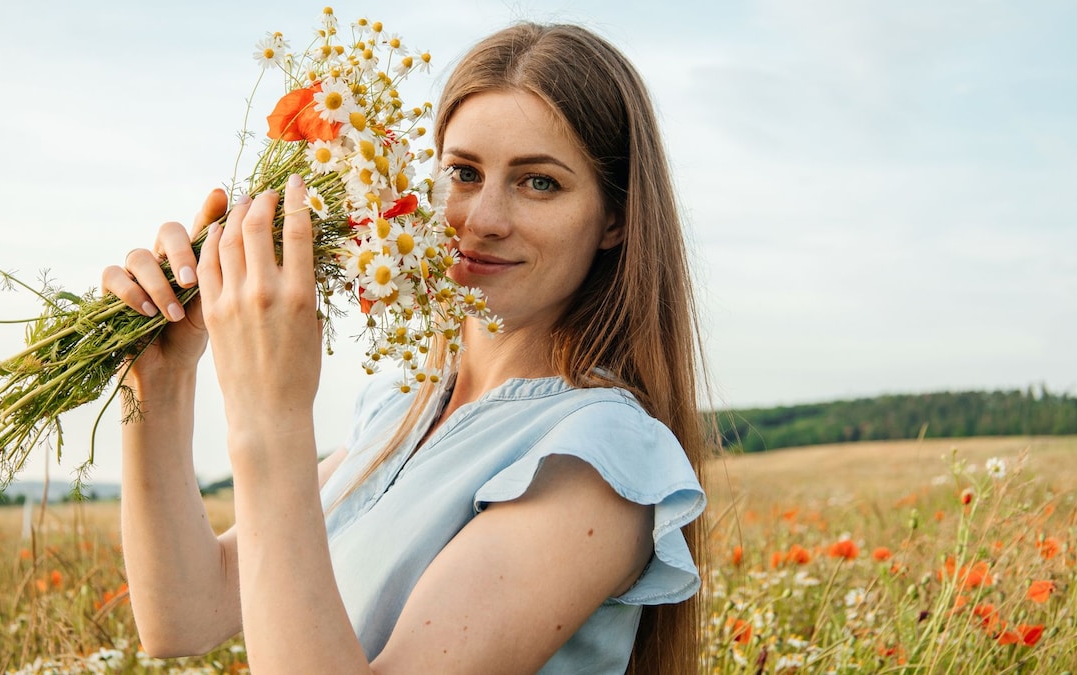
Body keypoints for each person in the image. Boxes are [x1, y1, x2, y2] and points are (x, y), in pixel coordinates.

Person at [102, 22, 711, 674]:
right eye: (465, 173)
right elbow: (185, 613)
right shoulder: (400, 408)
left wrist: (269, 414)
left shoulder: (599, 454)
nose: (481, 220)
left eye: (539, 182)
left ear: (615, 218)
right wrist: (160, 381)